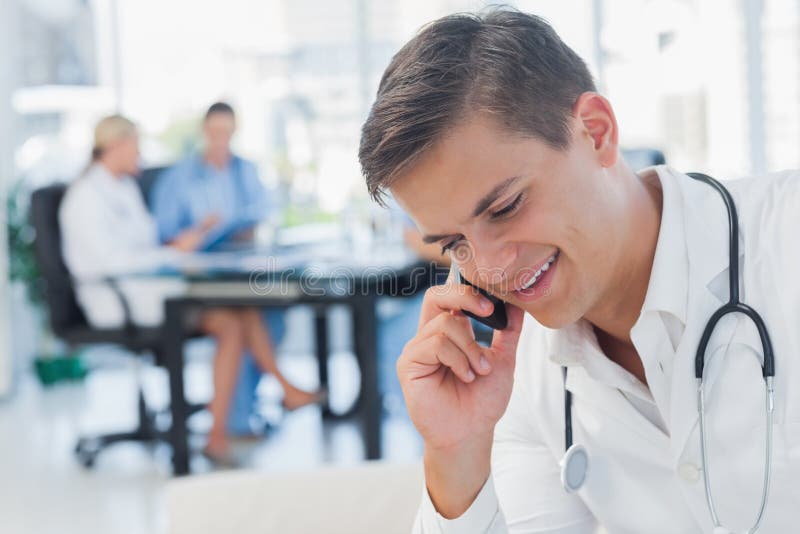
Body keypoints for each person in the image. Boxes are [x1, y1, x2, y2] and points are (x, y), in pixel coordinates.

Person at [359, 9, 799, 533]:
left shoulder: (786, 239)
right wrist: (456, 457)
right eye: (455, 244)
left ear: (596, 131)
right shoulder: (515, 374)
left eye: (505, 208)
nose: (491, 268)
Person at [60, 115, 320, 463]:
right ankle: (233, 424)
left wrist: (189, 238)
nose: (140, 154)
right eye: (136, 146)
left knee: (241, 311)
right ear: (117, 145)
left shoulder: (121, 187)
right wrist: (171, 253)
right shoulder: (85, 197)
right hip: (119, 299)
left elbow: (148, 239)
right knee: (230, 320)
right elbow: (112, 262)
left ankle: (248, 413)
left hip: (148, 287)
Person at [151, 102, 289, 437]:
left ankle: (243, 412)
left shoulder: (246, 171)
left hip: (242, 266)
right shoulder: (179, 177)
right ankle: (238, 419)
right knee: (242, 317)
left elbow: (264, 214)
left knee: (274, 317)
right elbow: (161, 236)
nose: (220, 139)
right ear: (203, 131)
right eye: (214, 132)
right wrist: (199, 231)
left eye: (226, 132)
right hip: (197, 277)